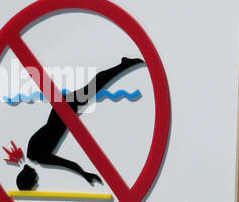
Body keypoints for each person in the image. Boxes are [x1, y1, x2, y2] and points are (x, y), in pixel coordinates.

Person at [13, 56, 144, 190]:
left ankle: (123, 65)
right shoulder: (32, 152)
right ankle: (123, 65)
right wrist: (83, 173)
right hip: (62, 111)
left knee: (94, 86)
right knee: (93, 87)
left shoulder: (39, 157)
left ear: (29, 178)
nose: (37, 182)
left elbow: (66, 164)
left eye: (34, 182)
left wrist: (84, 174)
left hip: (65, 109)